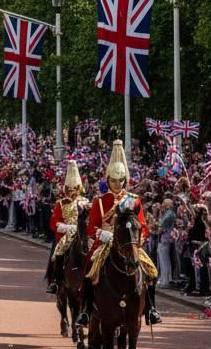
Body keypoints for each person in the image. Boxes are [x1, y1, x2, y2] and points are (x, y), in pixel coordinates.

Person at [77, 140, 162, 327]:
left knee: (151, 271)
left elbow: (143, 227)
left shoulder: (133, 200)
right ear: (108, 180)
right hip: (106, 243)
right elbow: (91, 228)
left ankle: (151, 309)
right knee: (90, 270)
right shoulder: (100, 201)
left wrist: (137, 241)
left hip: (129, 243)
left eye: (120, 181)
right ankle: (85, 310)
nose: (117, 184)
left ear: (125, 180)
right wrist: (102, 234)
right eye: (114, 181)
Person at [45, 160, 88, 294]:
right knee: (58, 252)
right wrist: (65, 227)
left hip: (82, 233)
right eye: (69, 189)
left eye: (74, 188)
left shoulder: (85, 202)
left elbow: (90, 220)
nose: (71, 192)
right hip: (66, 234)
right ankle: (56, 281)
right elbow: (54, 221)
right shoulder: (61, 203)